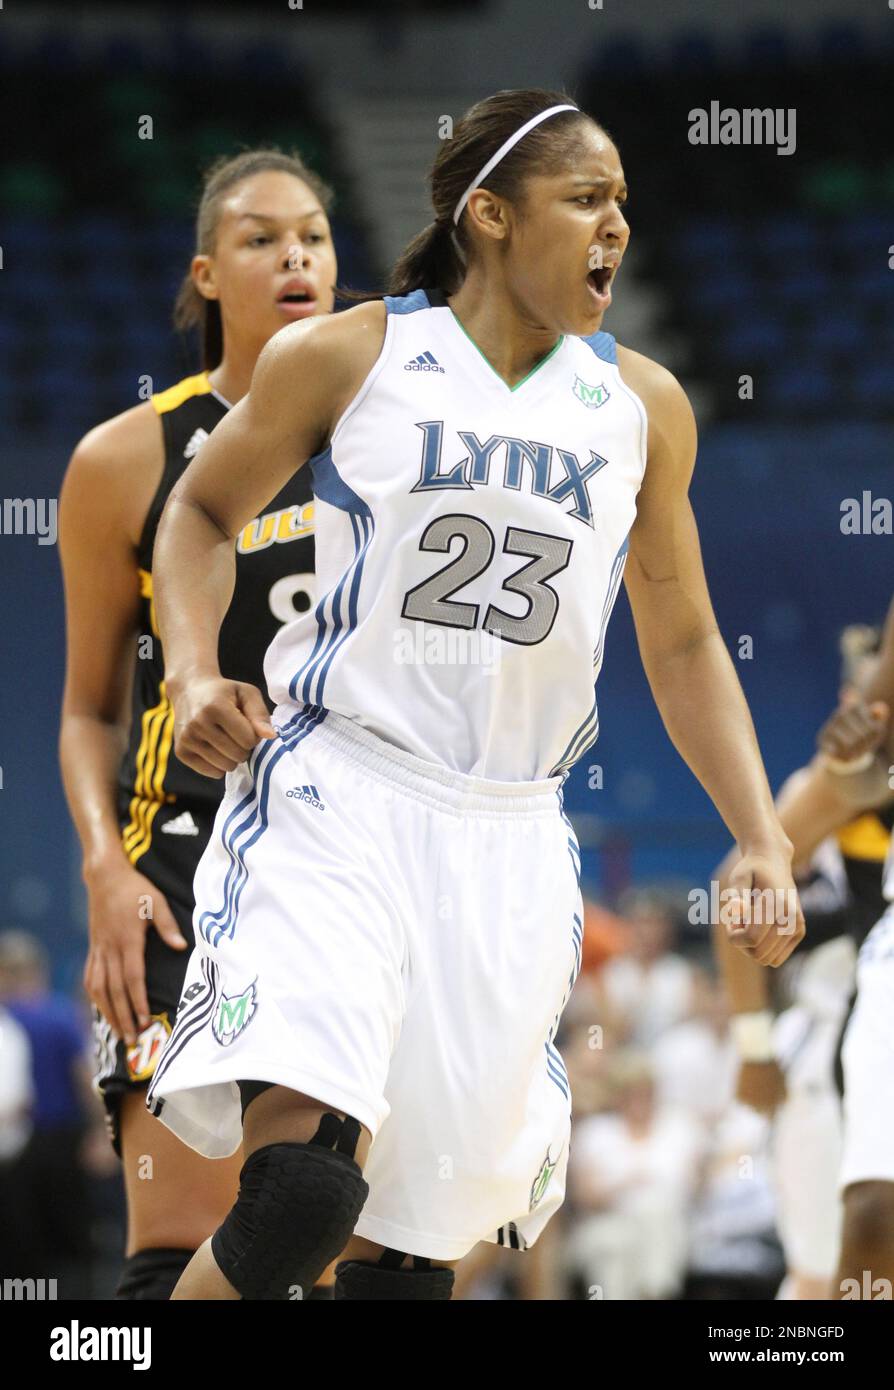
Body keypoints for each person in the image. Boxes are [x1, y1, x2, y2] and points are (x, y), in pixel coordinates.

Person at [144, 87, 803, 1301]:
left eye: (624, 204)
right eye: (586, 198)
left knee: (407, 1263)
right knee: (304, 1193)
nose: (616, 225)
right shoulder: (353, 354)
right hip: (343, 793)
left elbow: (689, 639)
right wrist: (191, 671)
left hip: (509, 836)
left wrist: (759, 832)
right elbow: (194, 511)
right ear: (490, 216)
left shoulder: (642, 405)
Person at [58, 148, 337, 1300]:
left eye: (315, 237)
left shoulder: (392, 428)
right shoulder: (125, 457)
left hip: (348, 862)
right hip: (182, 869)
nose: (296, 258)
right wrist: (101, 873)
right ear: (206, 273)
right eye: (262, 238)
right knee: (179, 1237)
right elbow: (87, 707)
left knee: (330, 1239)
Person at [716, 597, 894, 1292]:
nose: (868, 698)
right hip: (826, 1044)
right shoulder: (829, 786)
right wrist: (755, 1047)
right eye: (861, 686)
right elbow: (737, 890)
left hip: (859, 1023)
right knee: (831, 1265)